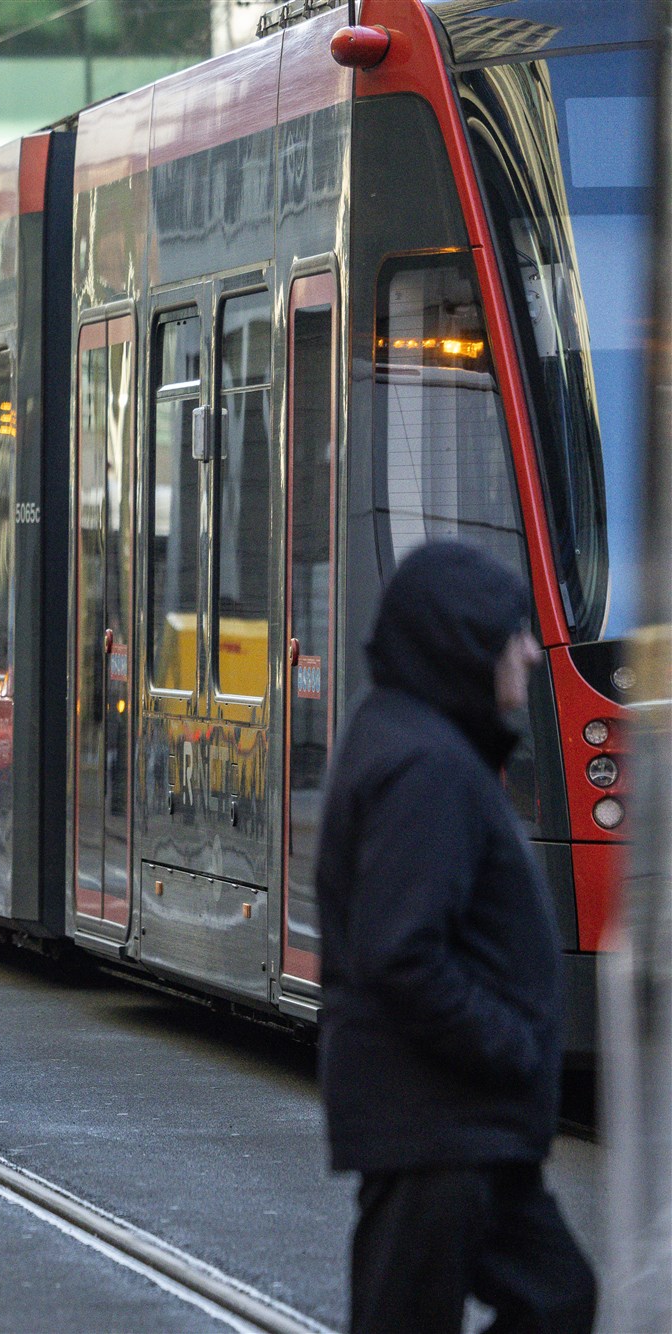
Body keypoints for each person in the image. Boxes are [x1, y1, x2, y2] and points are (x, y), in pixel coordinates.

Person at [316, 541, 596, 1334]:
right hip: (437, 1122)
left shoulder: (426, 743)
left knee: (558, 1299)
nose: (532, 654)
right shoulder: (424, 765)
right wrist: (509, 1043)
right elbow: (400, 950)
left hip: (465, 1123)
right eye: (516, 633)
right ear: (467, 642)